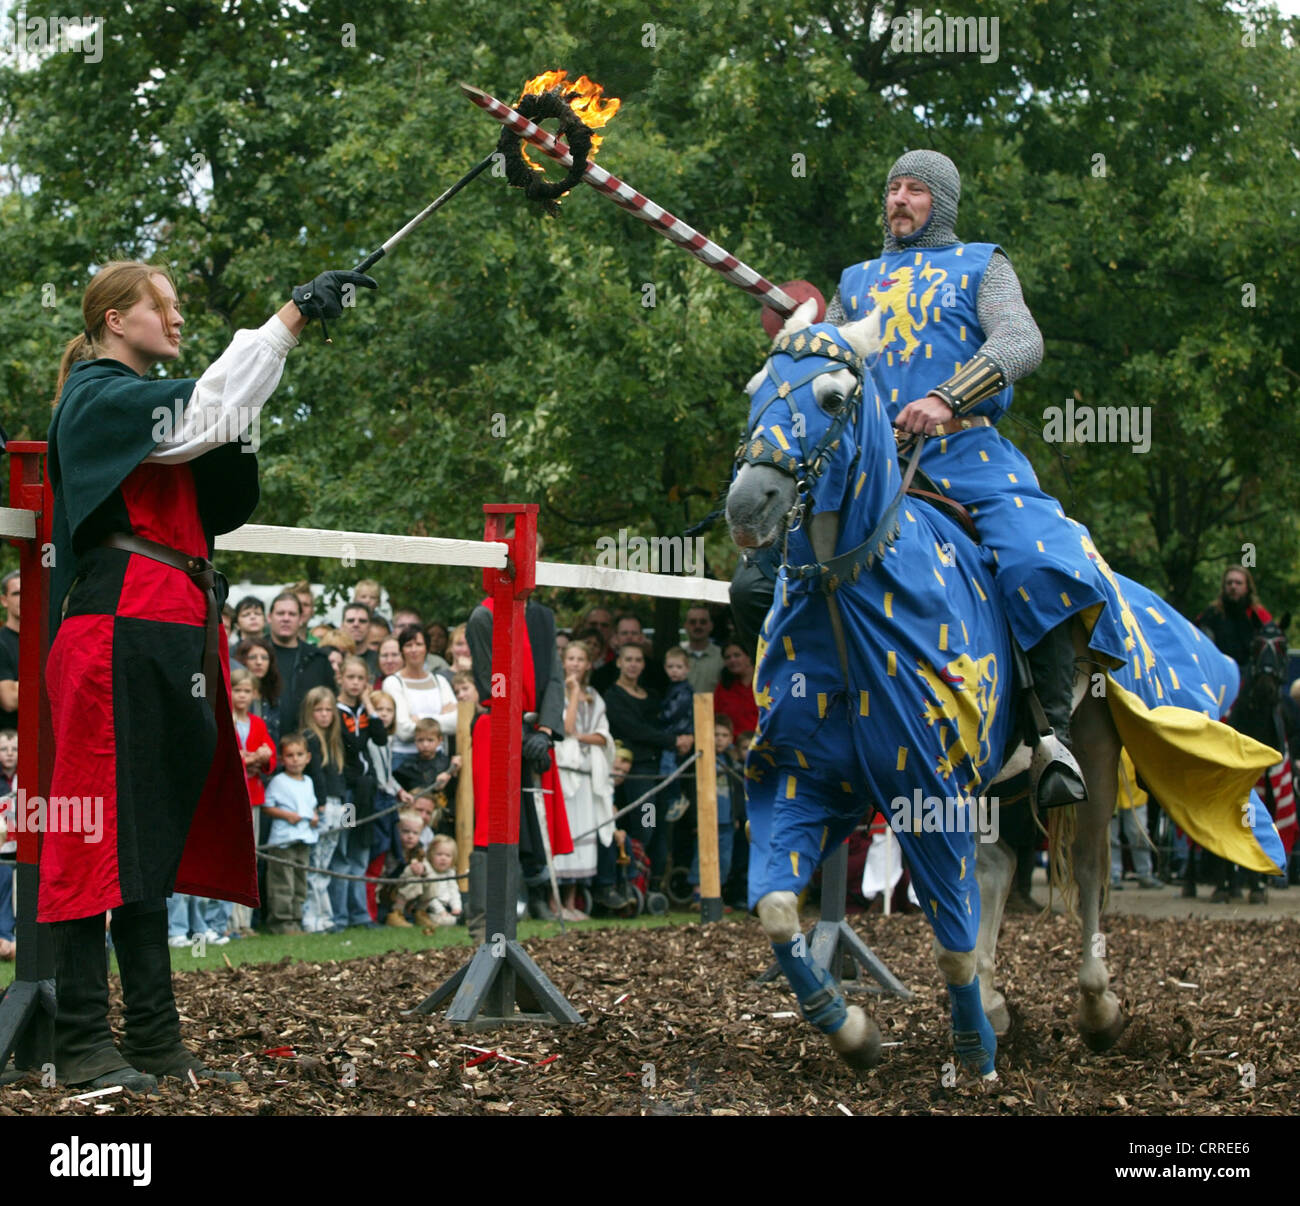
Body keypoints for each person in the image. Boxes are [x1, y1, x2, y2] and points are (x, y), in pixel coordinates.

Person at [41, 257, 372, 1090]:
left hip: (168, 627)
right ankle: (82, 1041)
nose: (178, 318)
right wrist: (290, 321)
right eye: (166, 306)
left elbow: (218, 415)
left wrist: (283, 338)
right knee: (94, 835)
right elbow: (209, 408)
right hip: (116, 623)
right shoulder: (94, 398)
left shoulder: (140, 402)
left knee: (149, 834)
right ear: (117, 318)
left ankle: (153, 1039)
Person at [826, 149, 1103, 811]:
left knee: (1044, 560)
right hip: (875, 467)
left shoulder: (981, 262)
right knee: (782, 558)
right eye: (893, 187)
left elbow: (1019, 340)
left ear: (940, 203)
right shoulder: (856, 281)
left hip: (967, 455)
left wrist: (947, 397)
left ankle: (1050, 739)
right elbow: (829, 364)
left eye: (916, 190)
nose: (900, 199)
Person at [466, 592, 572, 927]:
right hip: (497, 727)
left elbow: (555, 677)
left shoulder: (541, 616)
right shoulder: (483, 617)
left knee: (537, 818)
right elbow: (491, 680)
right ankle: (486, 914)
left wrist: (545, 731)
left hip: (536, 731)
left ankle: (539, 896)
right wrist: (521, 734)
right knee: (492, 819)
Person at [602, 643, 689, 882]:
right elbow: (636, 730)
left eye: (638, 660)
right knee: (645, 823)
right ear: (618, 662)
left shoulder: (653, 695)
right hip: (638, 773)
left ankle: (655, 882)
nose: (633, 664)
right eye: (628, 659)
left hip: (661, 769)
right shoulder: (613, 696)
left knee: (662, 829)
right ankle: (635, 876)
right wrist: (673, 740)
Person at [553, 641, 615, 918]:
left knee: (584, 833)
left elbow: (603, 736)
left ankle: (571, 902)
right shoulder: (556, 693)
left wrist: (578, 737)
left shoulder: (596, 696)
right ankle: (555, 903)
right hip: (565, 773)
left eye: (581, 659)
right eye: (571, 658)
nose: (575, 664)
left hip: (587, 775)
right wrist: (574, 693)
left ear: (588, 664)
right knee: (564, 832)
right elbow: (565, 727)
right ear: (563, 662)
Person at [332, 655, 385, 929]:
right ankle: (339, 916)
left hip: (366, 791)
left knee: (361, 851)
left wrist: (369, 705)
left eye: (360, 679)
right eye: (350, 677)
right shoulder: (334, 710)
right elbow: (350, 743)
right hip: (348, 792)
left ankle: (360, 914)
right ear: (340, 678)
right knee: (343, 852)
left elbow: (380, 738)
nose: (354, 683)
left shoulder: (364, 712)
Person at [225, 667, 276, 937]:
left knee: (250, 856)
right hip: (231, 796)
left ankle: (244, 920)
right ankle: (228, 921)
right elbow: (229, 756)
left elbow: (270, 753)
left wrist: (257, 758)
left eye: (247, 691)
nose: (242, 696)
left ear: (254, 694)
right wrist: (251, 758)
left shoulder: (257, 722)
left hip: (253, 795)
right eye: (237, 690)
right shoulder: (224, 719)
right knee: (231, 855)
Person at [262, 733, 320, 935]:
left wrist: (313, 816)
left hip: (304, 838)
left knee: (299, 881)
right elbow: (267, 806)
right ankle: (281, 922)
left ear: (308, 757)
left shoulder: (308, 781)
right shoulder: (278, 781)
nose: (295, 759)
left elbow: (310, 806)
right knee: (282, 882)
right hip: (283, 840)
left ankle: (296, 919)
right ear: (281, 759)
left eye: (299, 754)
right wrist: (286, 815)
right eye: (290, 755)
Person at [300, 685, 348, 932]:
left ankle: (325, 917)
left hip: (337, 805)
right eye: (319, 710)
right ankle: (312, 919)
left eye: (329, 710)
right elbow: (316, 774)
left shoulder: (334, 740)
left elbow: (340, 776)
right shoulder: (309, 738)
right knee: (315, 864)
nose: (325, 715)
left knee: (324, 865)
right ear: (310, 712)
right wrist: (319, 806)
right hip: (320, 805)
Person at [383, 625, 458, 772]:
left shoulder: (439, 681)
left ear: (427, 648)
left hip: (437, 759)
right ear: (401, 650)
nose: (414, 650)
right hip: (403, 760)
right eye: (408, 645)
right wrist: (439, 719)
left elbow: (455, 722)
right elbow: (403, 730)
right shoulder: (393, 682)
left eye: (418, 644)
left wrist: (419, 719)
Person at [267, 591, 336, 744]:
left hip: (308, 748)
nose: (286, 618)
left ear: (300, 619)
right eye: (280, 613)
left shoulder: (318, 659)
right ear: (269, 617)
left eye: (292, 614)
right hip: (265, 746)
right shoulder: (256, 654)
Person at [688, 714, 737, 903]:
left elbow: (738, 793)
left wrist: (737, 817)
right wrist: (694, 819)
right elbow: (692, 792)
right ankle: (698, 895)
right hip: (706, 818)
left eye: (724, 735)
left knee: (724, 859)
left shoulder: (732, 762)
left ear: (730, 738)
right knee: (701, 856)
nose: (720, 739)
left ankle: (716, 896)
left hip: (727, 820)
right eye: (716, 734)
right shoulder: (700, 758)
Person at [1195, 565, 1273, 669]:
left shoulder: (1259, 615)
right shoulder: (1211, 614)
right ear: (1224, 586)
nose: (1233, 586)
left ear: (1247, 587)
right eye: (1229, 583)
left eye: (1238, 583)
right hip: (1220, 672)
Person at [393, 716, 458, 802]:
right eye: (420, 740)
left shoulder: (447, 764)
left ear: (439, 740)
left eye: (430, 740)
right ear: (415, 741)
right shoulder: (407, 767)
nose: (425, 745)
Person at [713, 642, 759, 737]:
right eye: (727, 657)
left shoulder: (766, 683)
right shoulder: (723, 687)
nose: (732, 660)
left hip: (762, 745)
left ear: (749, 657)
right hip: (732, 747)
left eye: (737, 655)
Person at [682, 605, 723, 693]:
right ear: (685, 626)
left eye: (703, 622)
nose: (698, 626)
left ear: (711, 626)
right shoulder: (678, 655)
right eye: (693, 622)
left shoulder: (722, 657)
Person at [426, 835, 463, 925]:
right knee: (444, 921)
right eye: (439, 854)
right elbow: (429, 897)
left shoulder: (450, 872)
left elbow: (454, 891)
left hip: (447, 906)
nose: (443, 858)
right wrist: (441, 911)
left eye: (448, 855)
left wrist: (456, 908)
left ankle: (457, 918)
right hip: (433, 908)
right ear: (431, 855)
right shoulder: (428, 871)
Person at [0, 570, 19, 733]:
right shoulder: (1, 642)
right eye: (16, 593)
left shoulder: (46, 641)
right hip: (9, 743)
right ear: (4, 600)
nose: (23, 598)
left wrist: (16, 685)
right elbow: (9, 700)